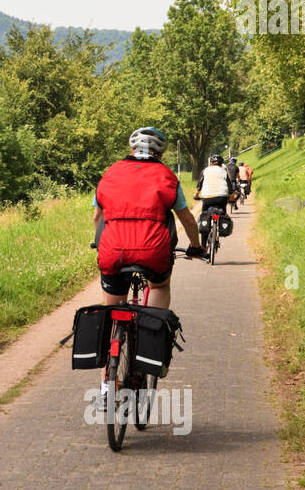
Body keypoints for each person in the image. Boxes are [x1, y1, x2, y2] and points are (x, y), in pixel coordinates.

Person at [92, 127, 204, 408]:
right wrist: (195, 246)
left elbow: (97, 218)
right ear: (160, 152)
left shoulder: (110, 173)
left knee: (111, 313)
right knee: (159, 284)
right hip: (153, 253)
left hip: (113, 253)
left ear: (131, 149)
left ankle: (107, 386)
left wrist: (102, 242)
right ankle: (148, 343)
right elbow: (188, 220)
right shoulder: (167, 176)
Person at [196, 154, 234, 231]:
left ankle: (203, 242)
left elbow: (200, 184)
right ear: (221, 164)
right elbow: (230, 188)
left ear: (211, 163)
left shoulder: (205, 170)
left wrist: (196, 194)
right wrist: (231, 198)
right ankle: (221, 229)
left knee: (204, 217)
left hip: (207, 198)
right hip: (222, 198)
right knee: (223, 214)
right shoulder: (224, 171)